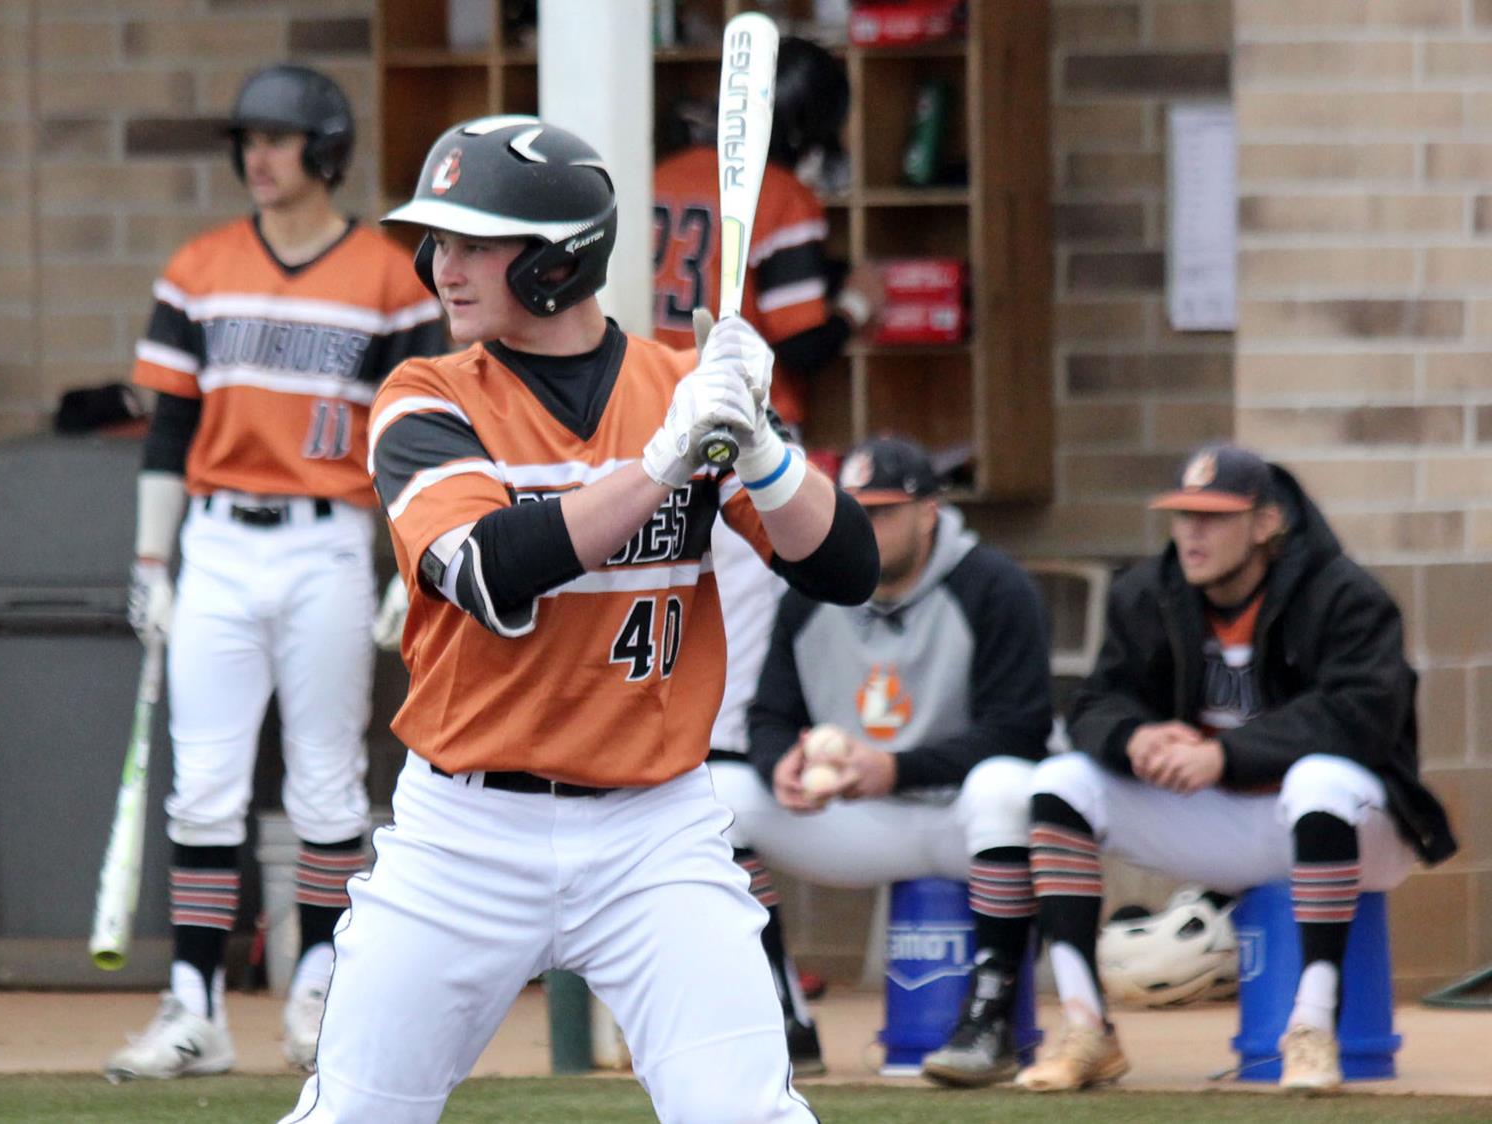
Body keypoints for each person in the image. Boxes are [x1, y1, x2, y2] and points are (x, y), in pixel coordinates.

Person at [279, 114, 880, 1124]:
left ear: (558, 258)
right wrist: (661, 465)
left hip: (654, 828)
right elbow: (486, 567)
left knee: (746, 1115)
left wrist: (763, 445)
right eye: (440, 240)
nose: (443, 266)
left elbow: (845, 567)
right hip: (465, 830)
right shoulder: (422, 394)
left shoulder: (674, 390)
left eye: (475, 241)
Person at [108, 64, 445, 1081]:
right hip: (214, 537)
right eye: (247, 137)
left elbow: (414, 434)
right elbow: (168, 426)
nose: (257, 155)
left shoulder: (389, 274)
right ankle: (195, 1007)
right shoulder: (199, 265)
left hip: (330, 536)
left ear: (325, 150)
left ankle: (320, 993)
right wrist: (150, 559)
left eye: (278, 138)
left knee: (326, 782)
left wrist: (408, 557)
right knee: (203, 786)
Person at [1019, 444, 1456, 1094]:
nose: (1193, 532)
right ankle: (1087, 1026)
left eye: (1215, 517)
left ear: (1265, 524)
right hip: (1226, 821)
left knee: (1320, 780)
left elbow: (1361, 718)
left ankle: (1312, 1027)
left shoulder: (1343, 594)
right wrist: (1133, 736)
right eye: (1184, 515)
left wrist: (1225, 753)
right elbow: (1092, 704)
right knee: (1059, 783)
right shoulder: (1150, 592)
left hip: (1354, 827)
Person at [722, 435, 1053, 1086]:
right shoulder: (811, 591)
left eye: (882, 513)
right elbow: (769, 716)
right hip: (859, 817)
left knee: (1007, 787)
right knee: (716, 796)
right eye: (854, 512)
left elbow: (1020, 732)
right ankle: (782, 1020)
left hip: (960, 821)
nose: (864, 529)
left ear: (928, 511)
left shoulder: (992, 584)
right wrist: (778, 764)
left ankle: (989, 1021)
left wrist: (895, 769)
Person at [650, 37, 884, 433]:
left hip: (653, 411)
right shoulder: (782, 194)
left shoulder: (659, 177)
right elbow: (801, 347)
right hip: (744, 421)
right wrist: (856, 306)